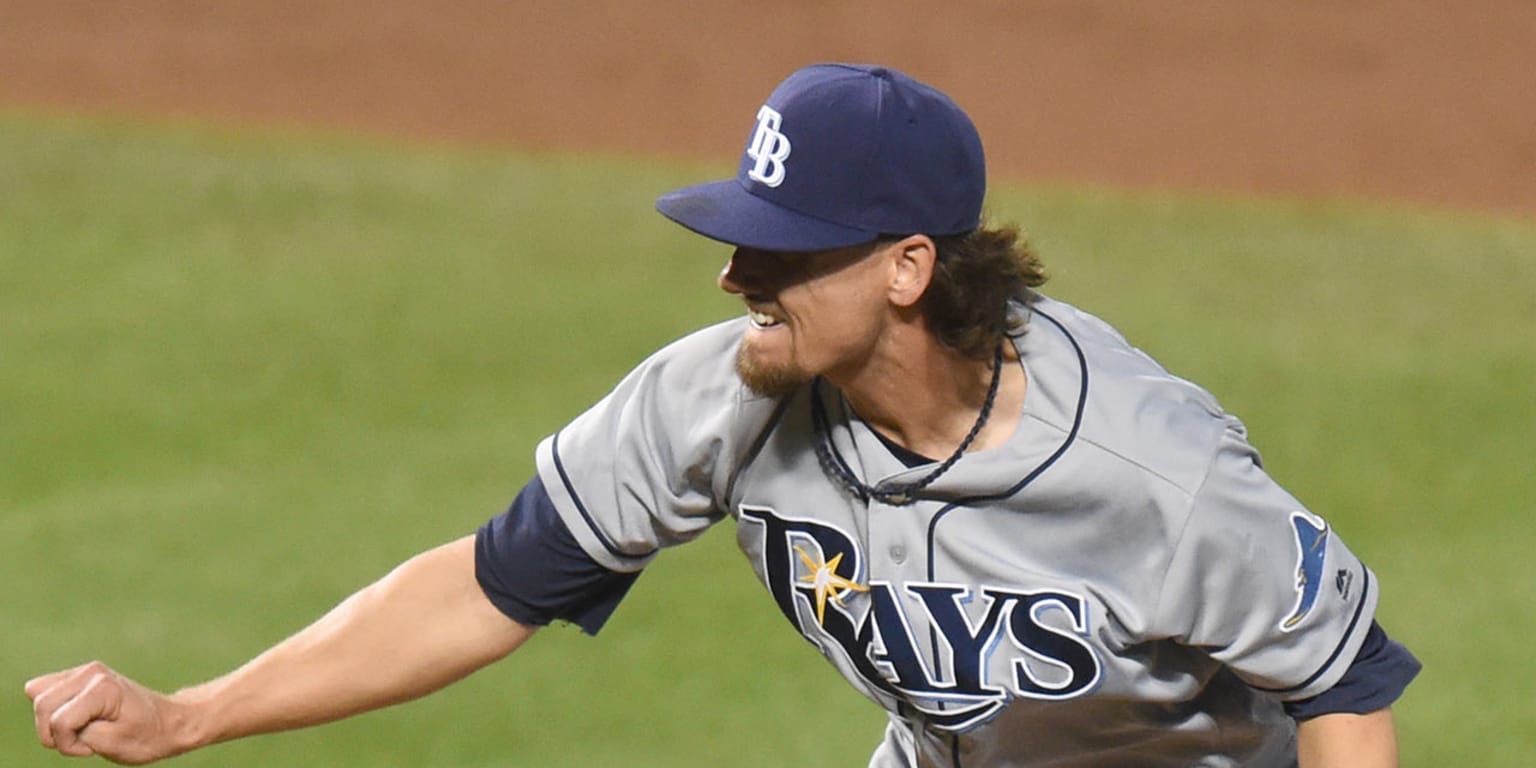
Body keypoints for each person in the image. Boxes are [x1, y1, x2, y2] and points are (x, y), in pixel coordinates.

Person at [26, 63, 1418, 767]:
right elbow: (493, 582)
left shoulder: (1150, 469)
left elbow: (1345, 685)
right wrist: (191, 714)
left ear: (907, 270)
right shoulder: (724, 394)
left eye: (785, 248)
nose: (736, 274)